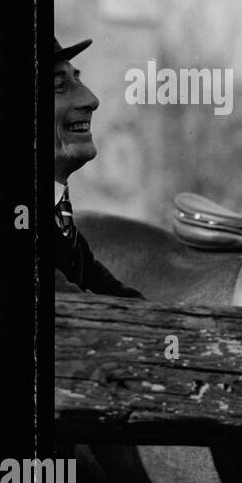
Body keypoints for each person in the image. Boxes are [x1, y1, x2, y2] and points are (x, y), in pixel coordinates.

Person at [52, 36, 143, 299]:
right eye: (60, 86)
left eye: (77, 80)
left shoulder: (61, 220)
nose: (91, 100)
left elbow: (121, 299)